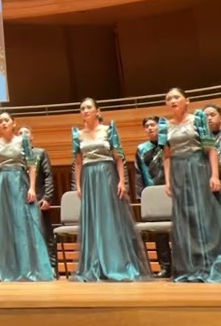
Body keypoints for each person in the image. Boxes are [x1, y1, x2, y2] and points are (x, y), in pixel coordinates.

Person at [162, 88, 221, 284]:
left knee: (206, 217)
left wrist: (214, 175)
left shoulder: (198, 120)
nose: (172, 100)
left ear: (187, 100)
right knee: (186, 220)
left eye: (176, 97)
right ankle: (191, 267)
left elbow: (211, 150)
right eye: (168, 98)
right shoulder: (165, 126)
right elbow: (167, 156)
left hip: (198, 168)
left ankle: (214, 264)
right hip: (178, 172)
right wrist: (168, 181)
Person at [72, 98, 149, 282]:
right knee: (94, 220)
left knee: (110, 219)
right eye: (82, 108)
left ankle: (117, 263)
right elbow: (78, 162)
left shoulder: (109, 130)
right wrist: (78, 185)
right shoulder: (77, 134)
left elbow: (119, 158)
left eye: (88, 107)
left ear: (97, 111)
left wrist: (122, 181)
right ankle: (95, 264)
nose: (85, 111)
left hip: (107, 175)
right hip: (89, 178)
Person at [0, 112, 54, 282]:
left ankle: (27, 267)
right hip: (1, 184)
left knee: (23, 224)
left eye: (6, 120)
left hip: (19, 183)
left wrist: (31, 187)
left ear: (13, 123)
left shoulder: (23, 141)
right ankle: (4, 267)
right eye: (0, 121)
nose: (3, 123)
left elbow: (31, 166)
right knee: (3, 225)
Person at [135, 116, 171, 277]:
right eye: (147, 126)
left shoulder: (169, 144)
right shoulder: (141, 149)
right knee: (159, 233)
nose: (150, 128)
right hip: (153, 193)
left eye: (153, 125)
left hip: (171, 191)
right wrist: (142, 195)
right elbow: (138, 174)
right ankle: (165, 266)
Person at [21, 126, 57, 275]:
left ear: (32, 136)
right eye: (20, 133)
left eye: (26, 132)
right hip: (22, 202)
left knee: (45, 234)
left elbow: (48, 176)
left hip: (40, 199)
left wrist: (47, 197)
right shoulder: (16, 156)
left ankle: (52, 267)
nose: (23, 135)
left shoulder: (40, 153)